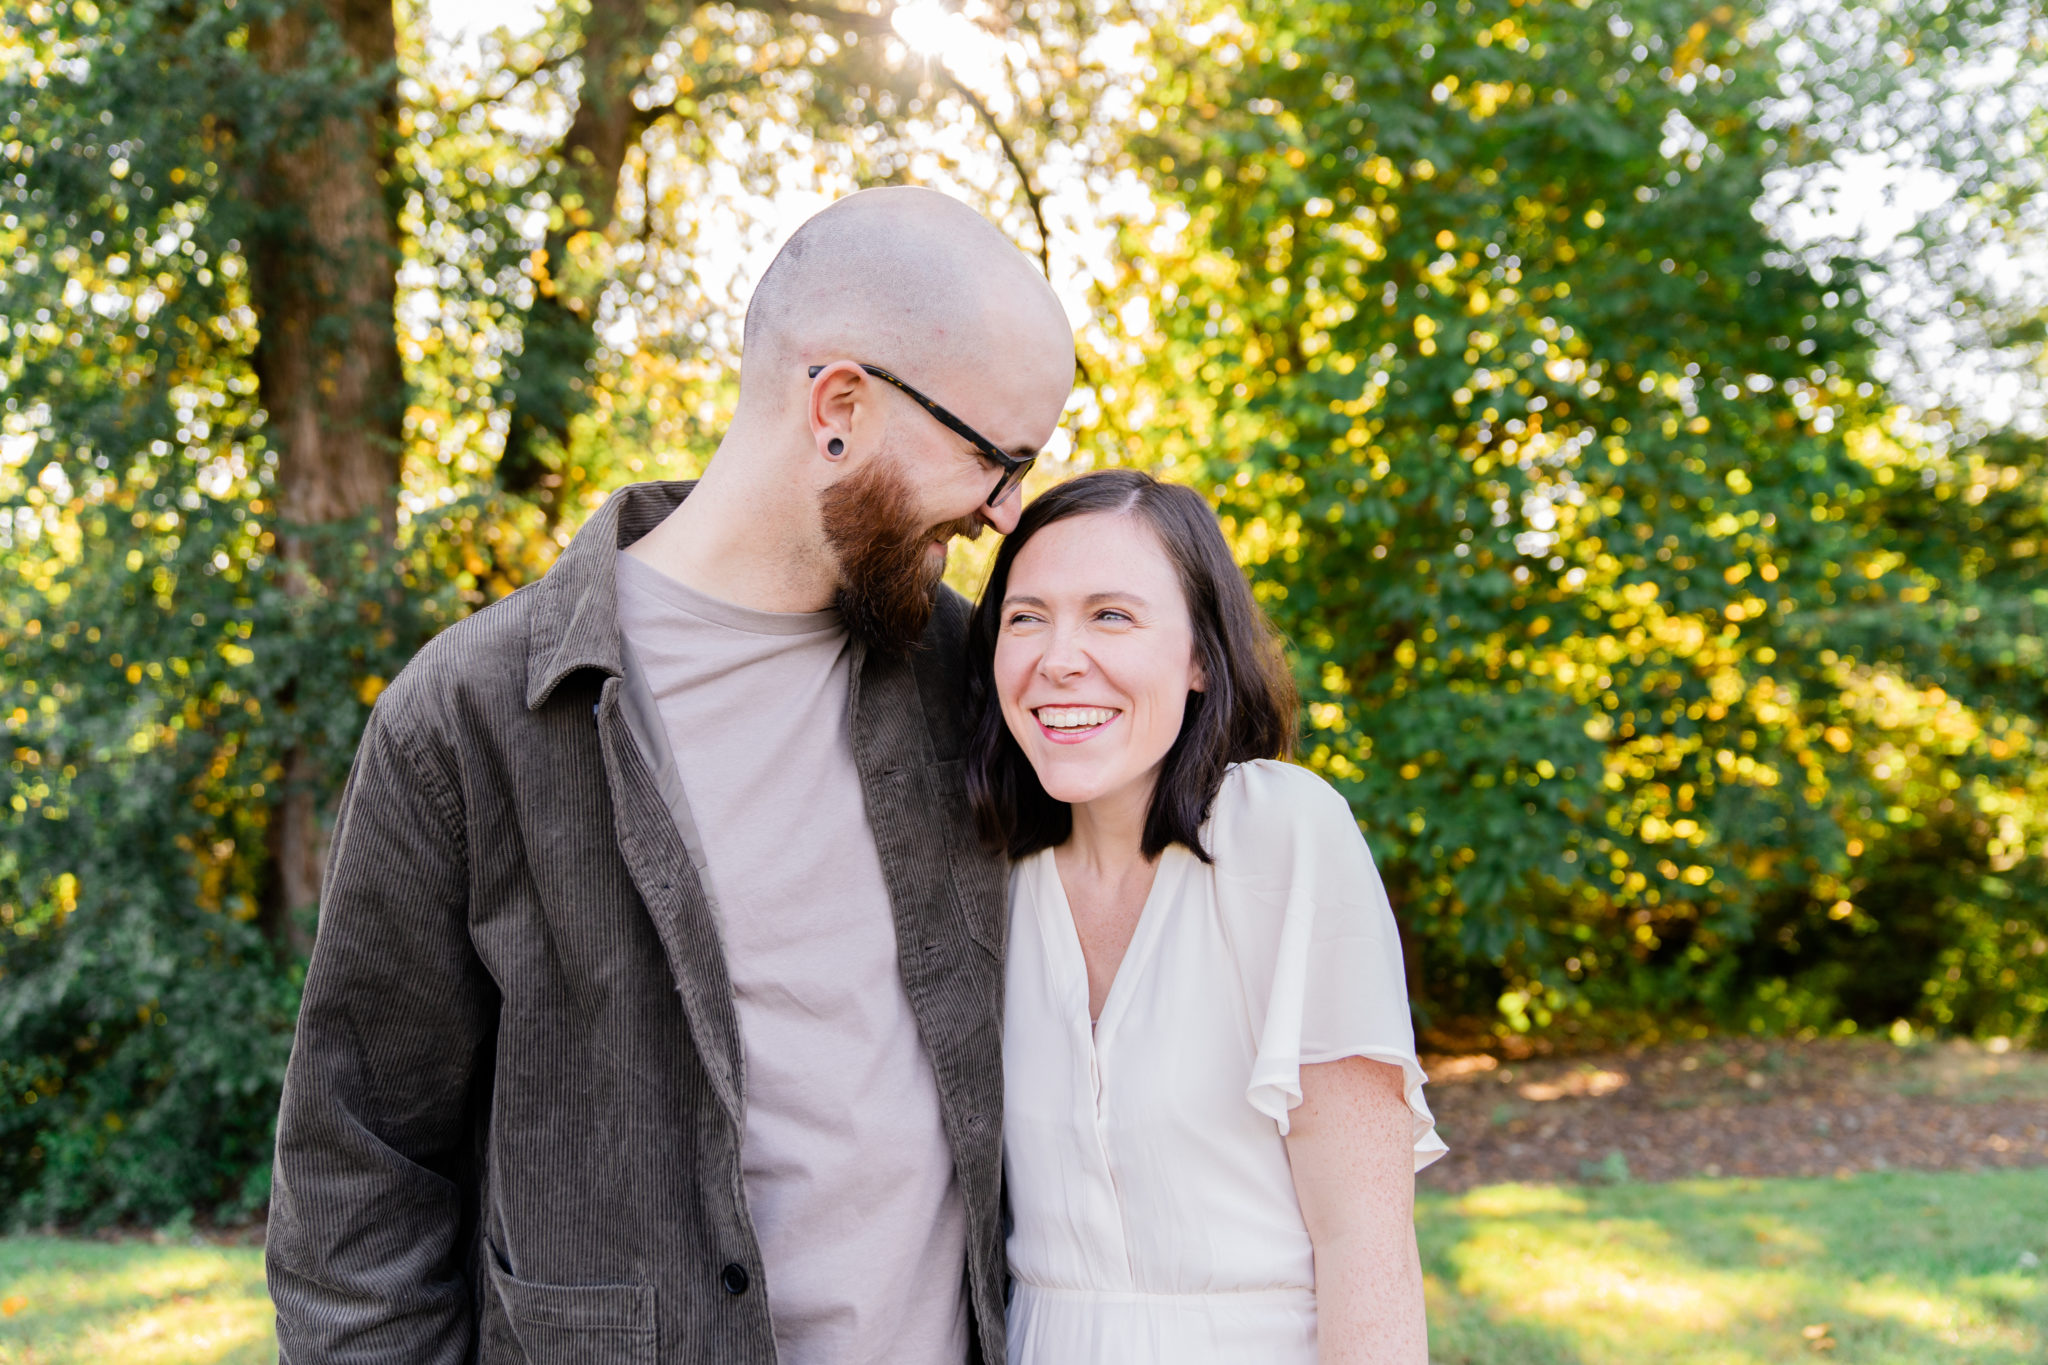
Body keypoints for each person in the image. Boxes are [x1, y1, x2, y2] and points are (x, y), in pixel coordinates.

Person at [265, 186, 1076, 1365]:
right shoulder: (468, 718)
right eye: (995, 459)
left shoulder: (979, 677)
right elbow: (360, 1179)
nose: (1007, 513)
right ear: (839, 406)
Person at [964, 469, 1445, 1364]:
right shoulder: (986, 878)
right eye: (1026, 617)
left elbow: (1365, 1241)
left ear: (1198, 657)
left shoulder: (1279, 836)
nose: (1058, 657)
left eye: (1111, 615)